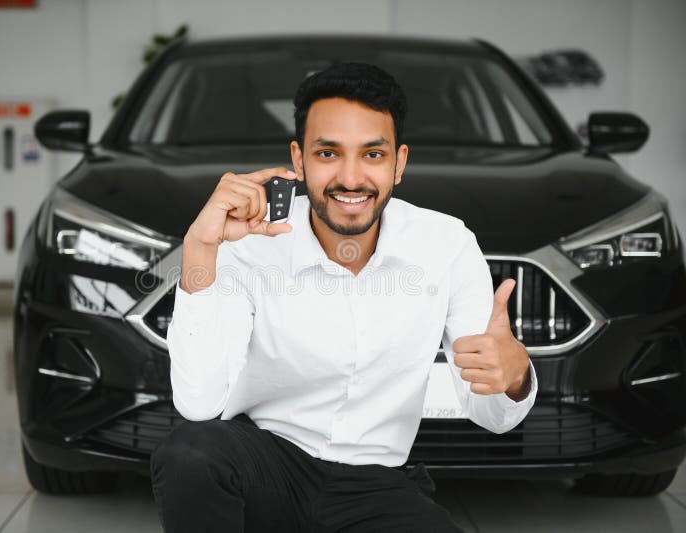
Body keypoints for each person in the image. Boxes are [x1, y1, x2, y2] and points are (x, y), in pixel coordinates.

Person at [151, 62, 537, 532]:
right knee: (191, 453)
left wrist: (514, 375)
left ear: (399, 163)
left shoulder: (446, 244)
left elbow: (493, 417)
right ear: (299, 160)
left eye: (372, 155)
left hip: (379, 485)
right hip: (269, 468)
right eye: (329, 153)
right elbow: (198, 406)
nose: (350, 179)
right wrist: (200, 249)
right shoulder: (249, 241)